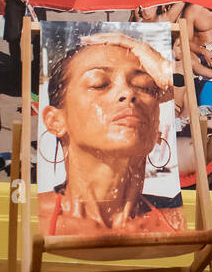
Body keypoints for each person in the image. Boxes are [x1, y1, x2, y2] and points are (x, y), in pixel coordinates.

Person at [38, 31, 185, 236]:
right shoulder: (33, 220)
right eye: (99, 84)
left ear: (157, 124)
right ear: (55, 120)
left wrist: (167, 73)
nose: (128, 93)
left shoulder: (175, 220)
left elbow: (190, 94)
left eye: (144, 86)